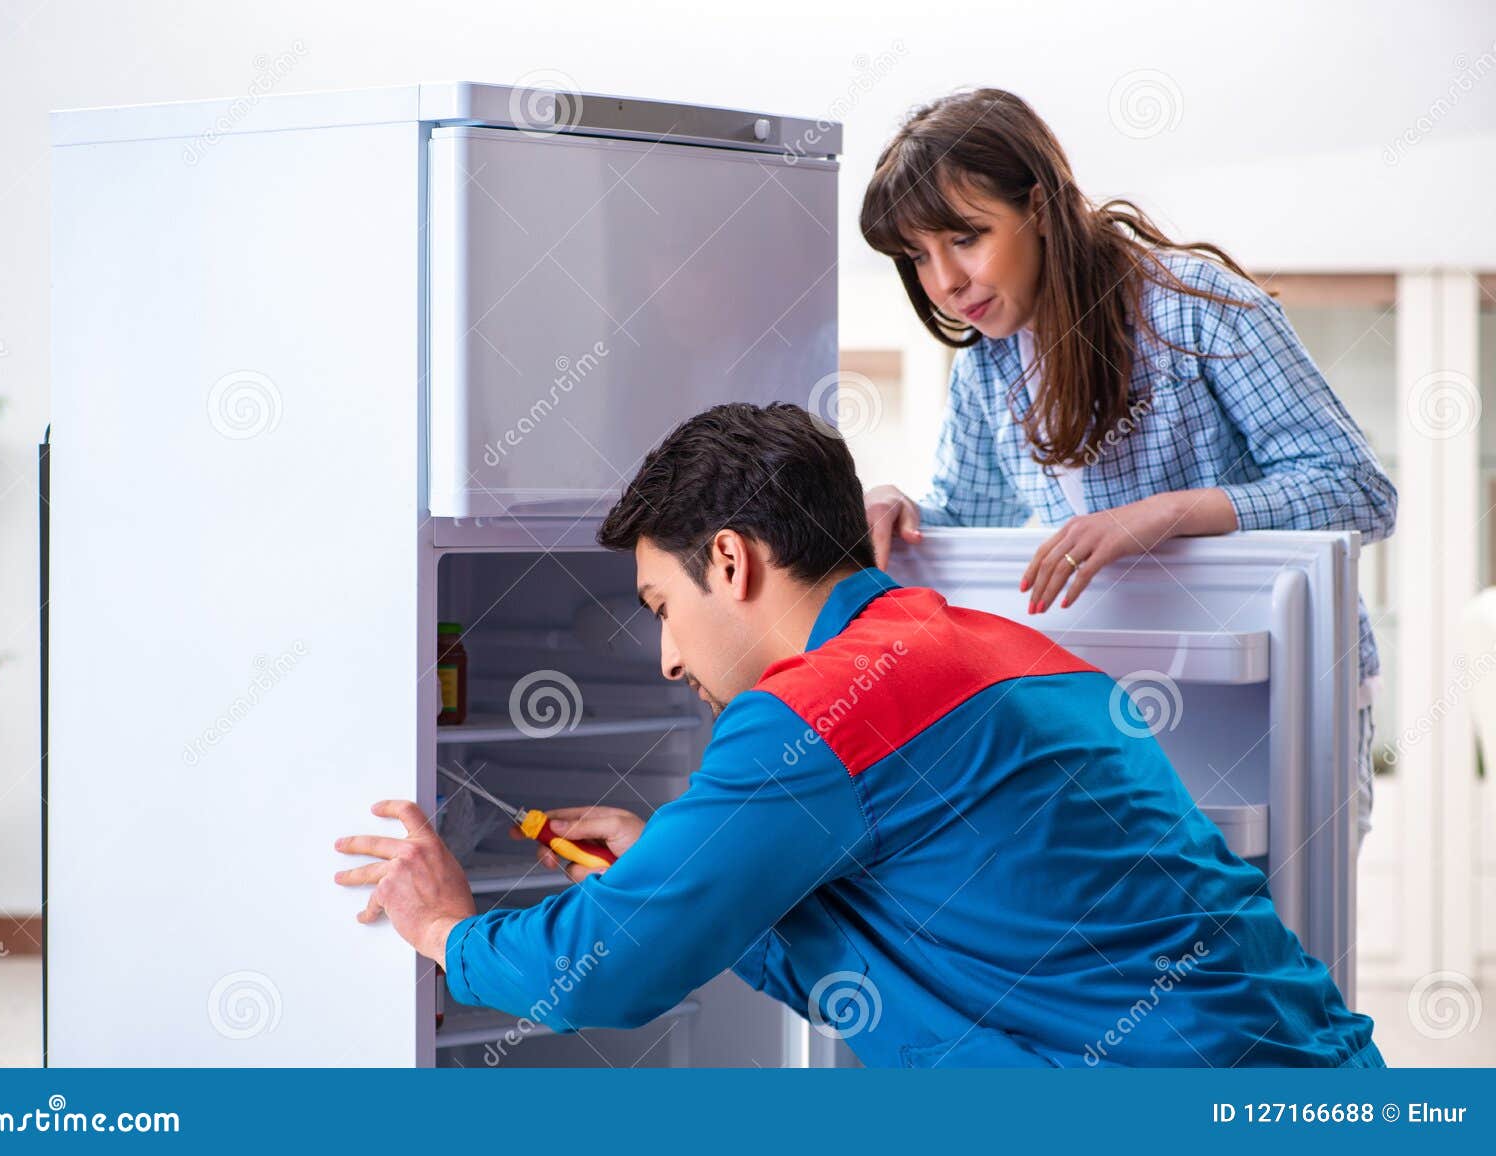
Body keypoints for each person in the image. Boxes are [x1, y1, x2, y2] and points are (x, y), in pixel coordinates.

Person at [334, 402, 1383, 1068]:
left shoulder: (812, 713)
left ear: (733, 564)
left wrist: (444, 933)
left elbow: (605, 969)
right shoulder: (979, 645)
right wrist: (670, 862)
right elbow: (900, 931)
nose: (663, 658)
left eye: (660, 605)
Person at [858, 88, 1395, 837]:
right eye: (918, 256)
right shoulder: (989, 366)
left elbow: (1360, 492)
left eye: (966, 238)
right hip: (1114, 706)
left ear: (1039, 209)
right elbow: (969, 518)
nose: (943, 281)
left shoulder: (1193, 306)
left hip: (1278, 695)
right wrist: (901, 509)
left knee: (1272, 931)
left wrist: (1167, 516)